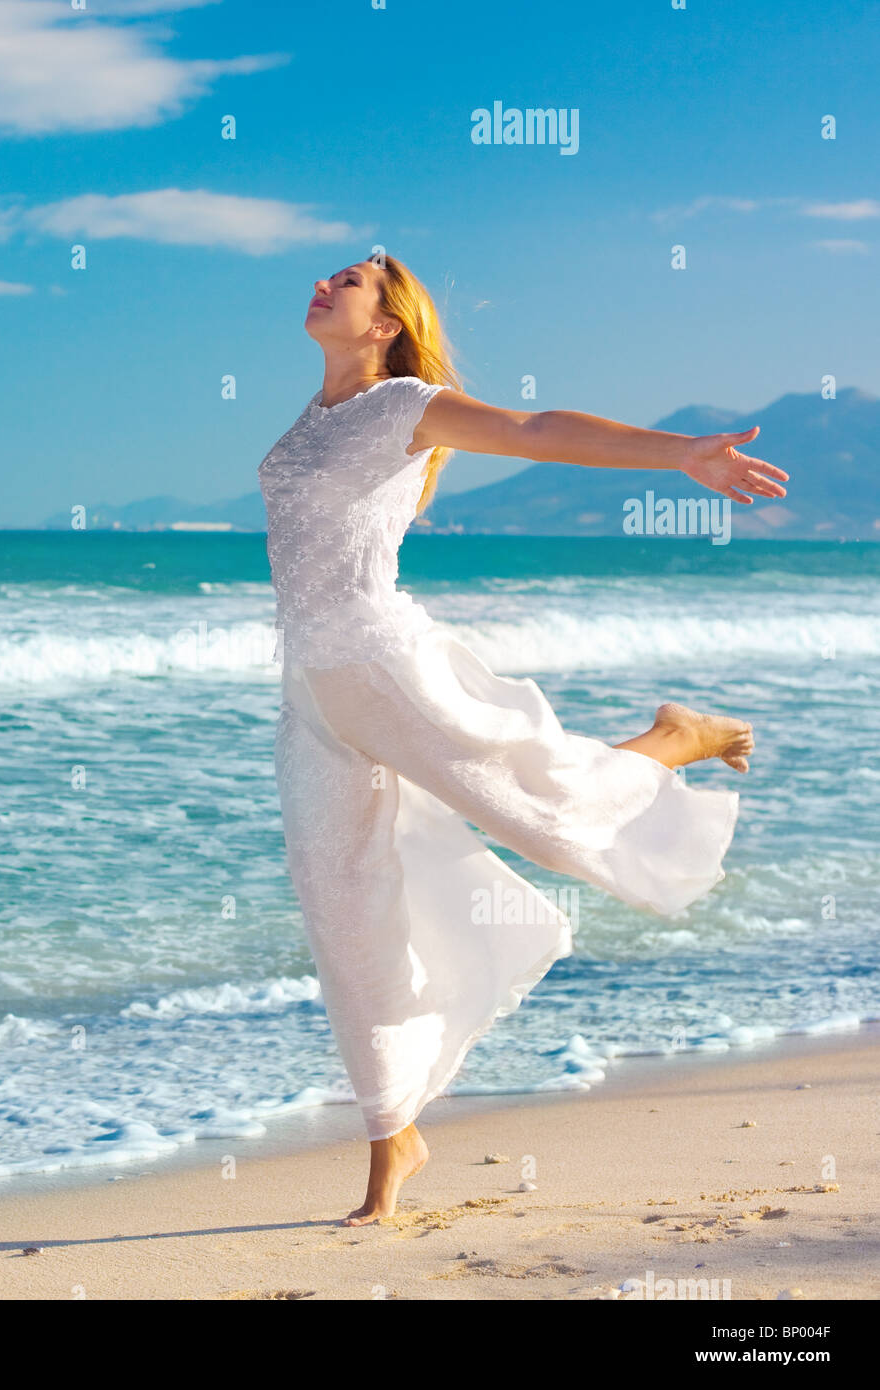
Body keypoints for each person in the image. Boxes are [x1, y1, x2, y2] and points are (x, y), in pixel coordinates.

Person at [257, 255, 789, 1226]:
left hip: (383, 666)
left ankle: (670, 740)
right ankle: (393, 1147)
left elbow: (535, 430)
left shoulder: (406, 405)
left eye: (351, 282)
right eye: (329, 275)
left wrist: (680, 455)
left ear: (385, 324)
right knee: (344, 916)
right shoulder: (306, 422)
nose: (326, 284)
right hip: (310, 696)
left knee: (547, 814)